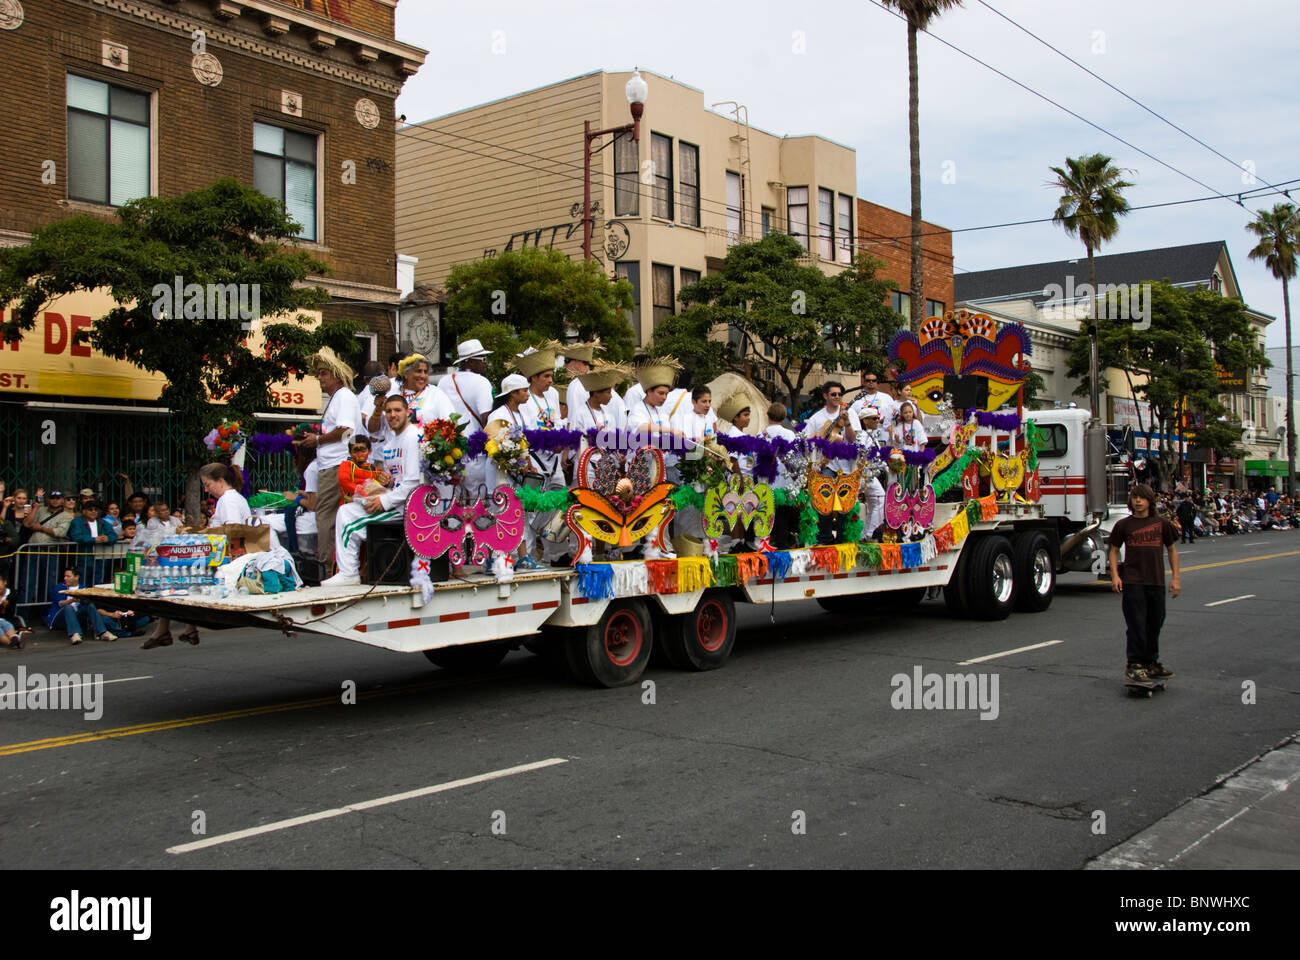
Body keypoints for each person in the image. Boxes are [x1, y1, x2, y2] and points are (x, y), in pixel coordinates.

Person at [142, 463, 250, 649]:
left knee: (172, 576)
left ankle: (166, 630)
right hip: (221, 557)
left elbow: (232, 532)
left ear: (221, 481)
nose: (207, 490)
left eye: (208, 485)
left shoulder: (228, 500)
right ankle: (183, 629)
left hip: (228, 561)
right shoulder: (229, 499)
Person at [323, 395, 423, 587]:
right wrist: (383, 483)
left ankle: (349, 572)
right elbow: (397, 479)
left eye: (397, 410)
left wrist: (383, 502)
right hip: (394, 500)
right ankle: (349, 571)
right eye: (389, 411)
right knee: (347, 509)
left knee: (348, 518)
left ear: (407, 412)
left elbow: (412, 484)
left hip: (406, 509)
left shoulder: (411, 437)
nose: (392, 415)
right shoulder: (391, 443)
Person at [1108, 483, 1180, 685]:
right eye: (1135, 498)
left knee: (1154, 624)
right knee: (1136, 624)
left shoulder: (1162, 524)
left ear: (1150, 501)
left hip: (1156, 581)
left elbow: (1172, 550)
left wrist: (1175, 578)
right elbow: (1113, 550)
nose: (1138, 501)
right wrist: (1115, 576)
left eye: (1142, 498)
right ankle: (1135, 665)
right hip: (1133, 581)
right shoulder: (1123, 525)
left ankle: (1151, 663)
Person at [300, 348, 360, 569]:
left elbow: (346, 431)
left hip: (336, 465)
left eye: (324, 373)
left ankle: (326, 567)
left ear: (336, 374)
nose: (319, 378)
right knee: (333, 516)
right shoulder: (339, 398)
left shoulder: (343, 396)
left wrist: (317, 440)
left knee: (324, 515)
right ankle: (335, 566)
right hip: (335, 464)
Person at [515, 345, 572, 566]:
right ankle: (527, 555)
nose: (550, 381)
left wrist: (561, 439)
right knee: (531, 509)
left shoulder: (554, 395)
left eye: (551, 376)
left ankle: (556, 554)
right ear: (533, 378)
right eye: (546, 376)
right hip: (535, 462)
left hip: (555, 461)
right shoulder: (525, 397)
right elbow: (527, 430)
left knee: (558, 505)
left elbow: (556, 421)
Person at [439, 339, 495, 498]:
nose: (485, 363)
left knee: (453, 502)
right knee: (478, 502)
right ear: (469, 361)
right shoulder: (482, 382)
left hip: (450, 453)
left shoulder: (444, 381)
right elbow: (487, 418)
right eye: (482, 359)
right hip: (475, 454)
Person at [44, 567, 117, 645]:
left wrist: (87, 599)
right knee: (68, 608)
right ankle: (75, 634)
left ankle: (102, 632)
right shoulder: (59, 587)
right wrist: (72, 600)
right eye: (65, 576)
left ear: (77, 577)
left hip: (77, 616)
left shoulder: (83, 588)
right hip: (59, 618)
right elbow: (61, 604)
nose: (65, 578)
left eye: (68, 576)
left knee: (90, 605)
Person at [399, 353, 454, 433]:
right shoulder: (395, 393)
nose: (423, 376)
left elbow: (450, 423)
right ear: (406, 374)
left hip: (426, 445)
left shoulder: (436, 394)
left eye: (425, 372)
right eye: (419, 371)